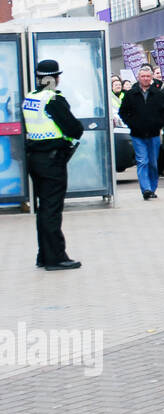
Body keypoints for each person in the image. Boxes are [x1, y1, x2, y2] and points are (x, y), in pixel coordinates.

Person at [22, 59, 84, 270]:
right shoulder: (53, 99)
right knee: (52, 210)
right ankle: (56, 257)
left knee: (43, 209)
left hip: (35, 159)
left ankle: (44, 255)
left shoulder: (30, 97)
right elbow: (74, 128)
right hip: (52, 160)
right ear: (53, 78)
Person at [118, 64, 164, 199]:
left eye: (148, 76)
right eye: (143, 76)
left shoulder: (158, 94)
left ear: (152, 77)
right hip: (137, 135)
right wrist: (132, 124)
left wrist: (159, 124)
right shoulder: (131, 94)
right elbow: (123, 112)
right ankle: (146, 189)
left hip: (153, 134)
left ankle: (152, 188)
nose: (146, 79)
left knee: (153, 162)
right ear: (139, 77)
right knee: (142, 161)